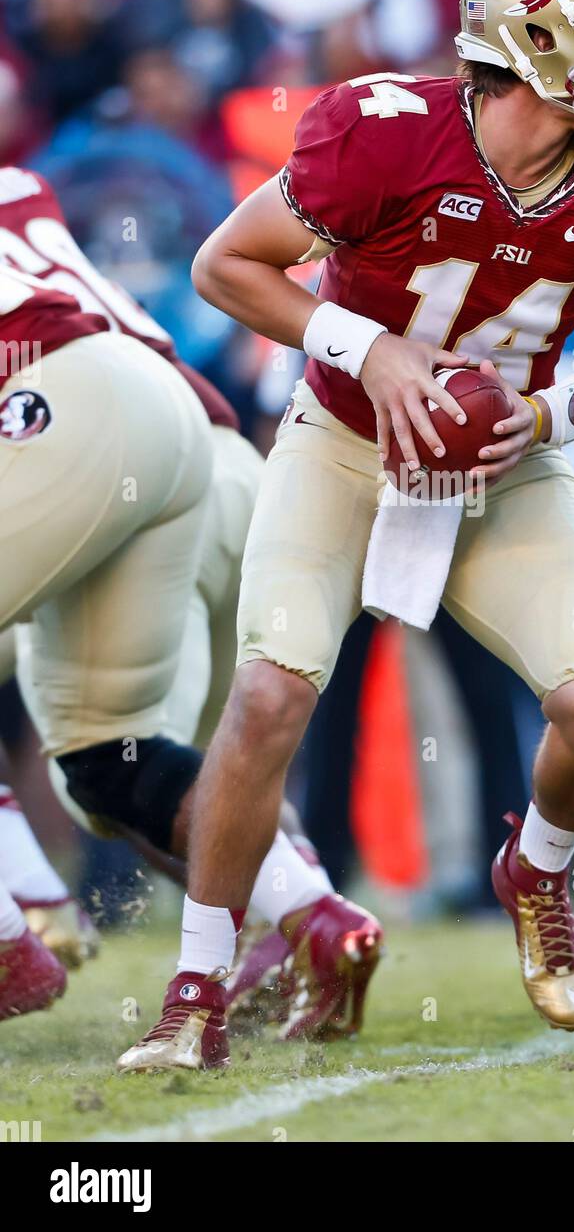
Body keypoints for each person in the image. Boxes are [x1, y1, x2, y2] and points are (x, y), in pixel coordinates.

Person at [121, 0, 574, 1072]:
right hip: (342, 443)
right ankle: (196, 980)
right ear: (533, 37)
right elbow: (223, 266)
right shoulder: (381, 130)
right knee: (270, 699)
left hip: (504, 467)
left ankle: (532, 870)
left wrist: (539, 415)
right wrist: (369, 350)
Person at [0, 167, 381, 1033]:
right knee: (116, 756)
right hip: (186, 436)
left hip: (69, 414)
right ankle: (306, 914)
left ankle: (18, 926)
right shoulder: (20, 186)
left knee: (108, 767)